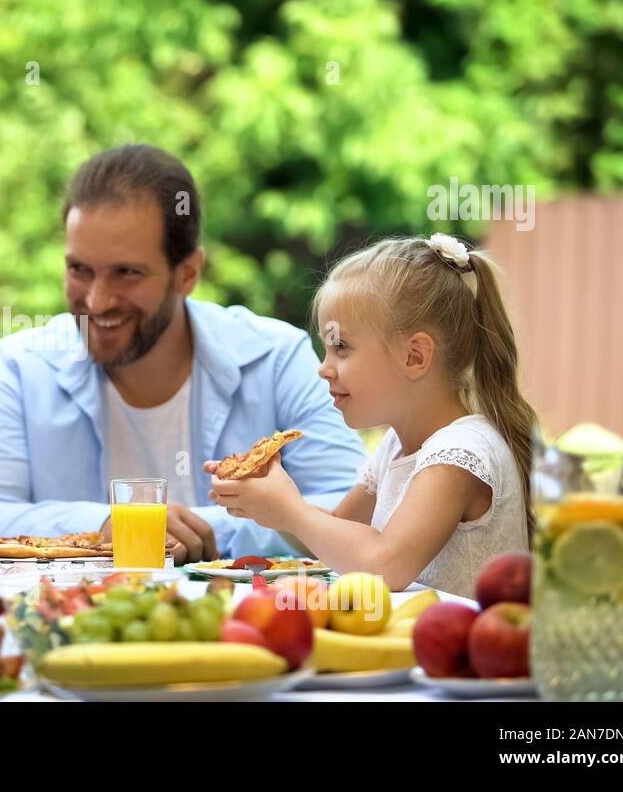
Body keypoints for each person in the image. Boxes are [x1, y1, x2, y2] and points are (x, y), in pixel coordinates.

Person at [0, 144, 366, 564]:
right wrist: (107, 525)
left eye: (127, 273)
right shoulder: (24, 363)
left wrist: (204, 528)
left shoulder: (276, 357)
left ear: (188, 273)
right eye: (79, 270)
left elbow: (352, 509)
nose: (98, 302)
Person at [207, 234, 534, 595]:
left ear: (415, 357)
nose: (323, 369)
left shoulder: (460, 454)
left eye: (341, 348)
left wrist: (291, 511)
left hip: (463, 650)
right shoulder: (397, 445)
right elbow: (335, 531)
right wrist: (263, 502)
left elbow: (384, 564)